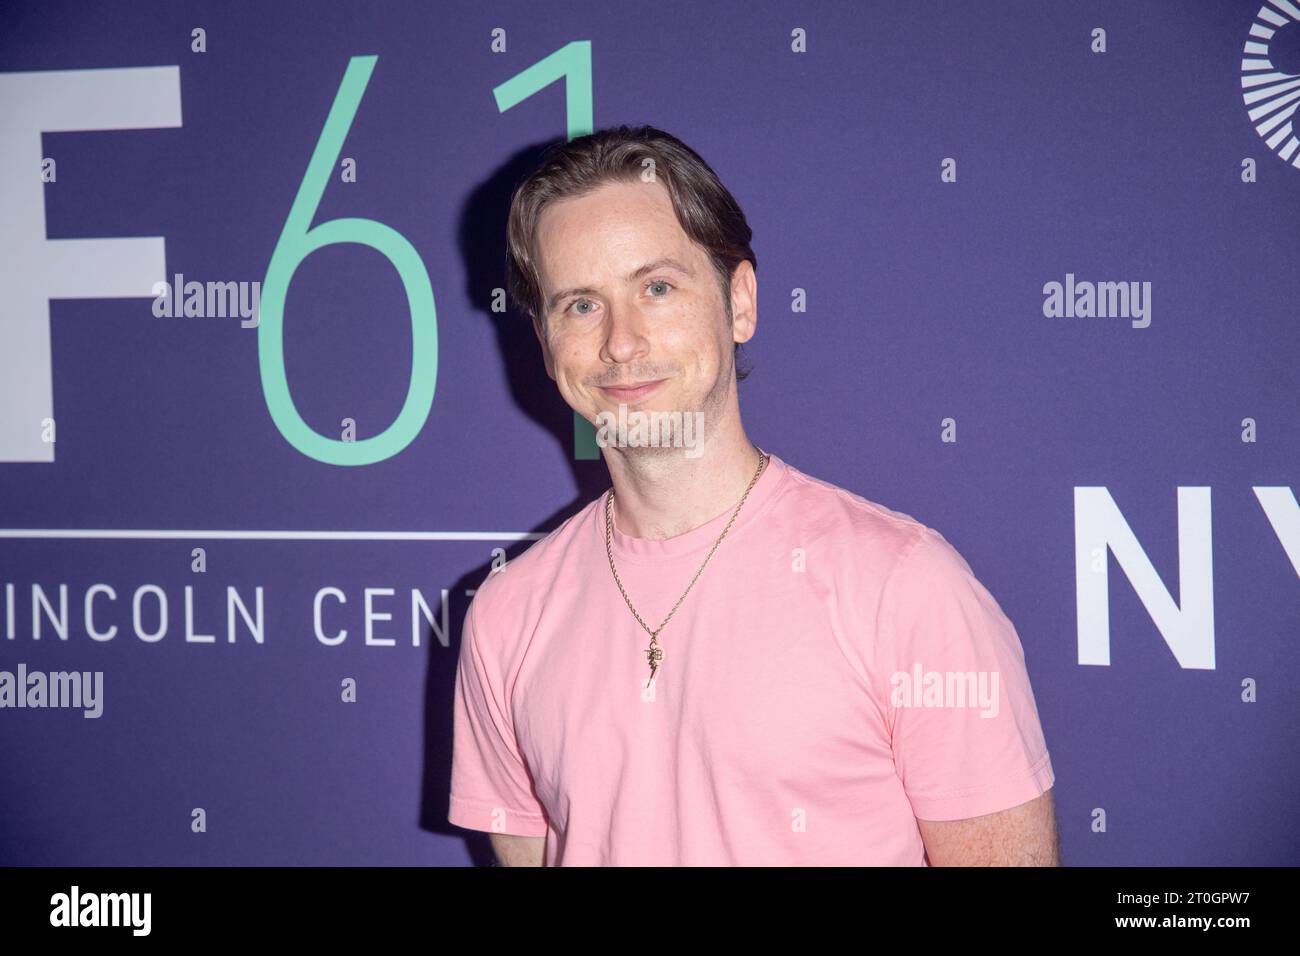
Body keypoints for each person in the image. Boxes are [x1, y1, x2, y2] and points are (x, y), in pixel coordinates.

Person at [448, 125, 1059, 866]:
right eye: (580, 305)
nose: (620, 343)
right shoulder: (506, 617)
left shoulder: (905, 588)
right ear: (545, 342)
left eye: (657, 287)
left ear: (739, 301)